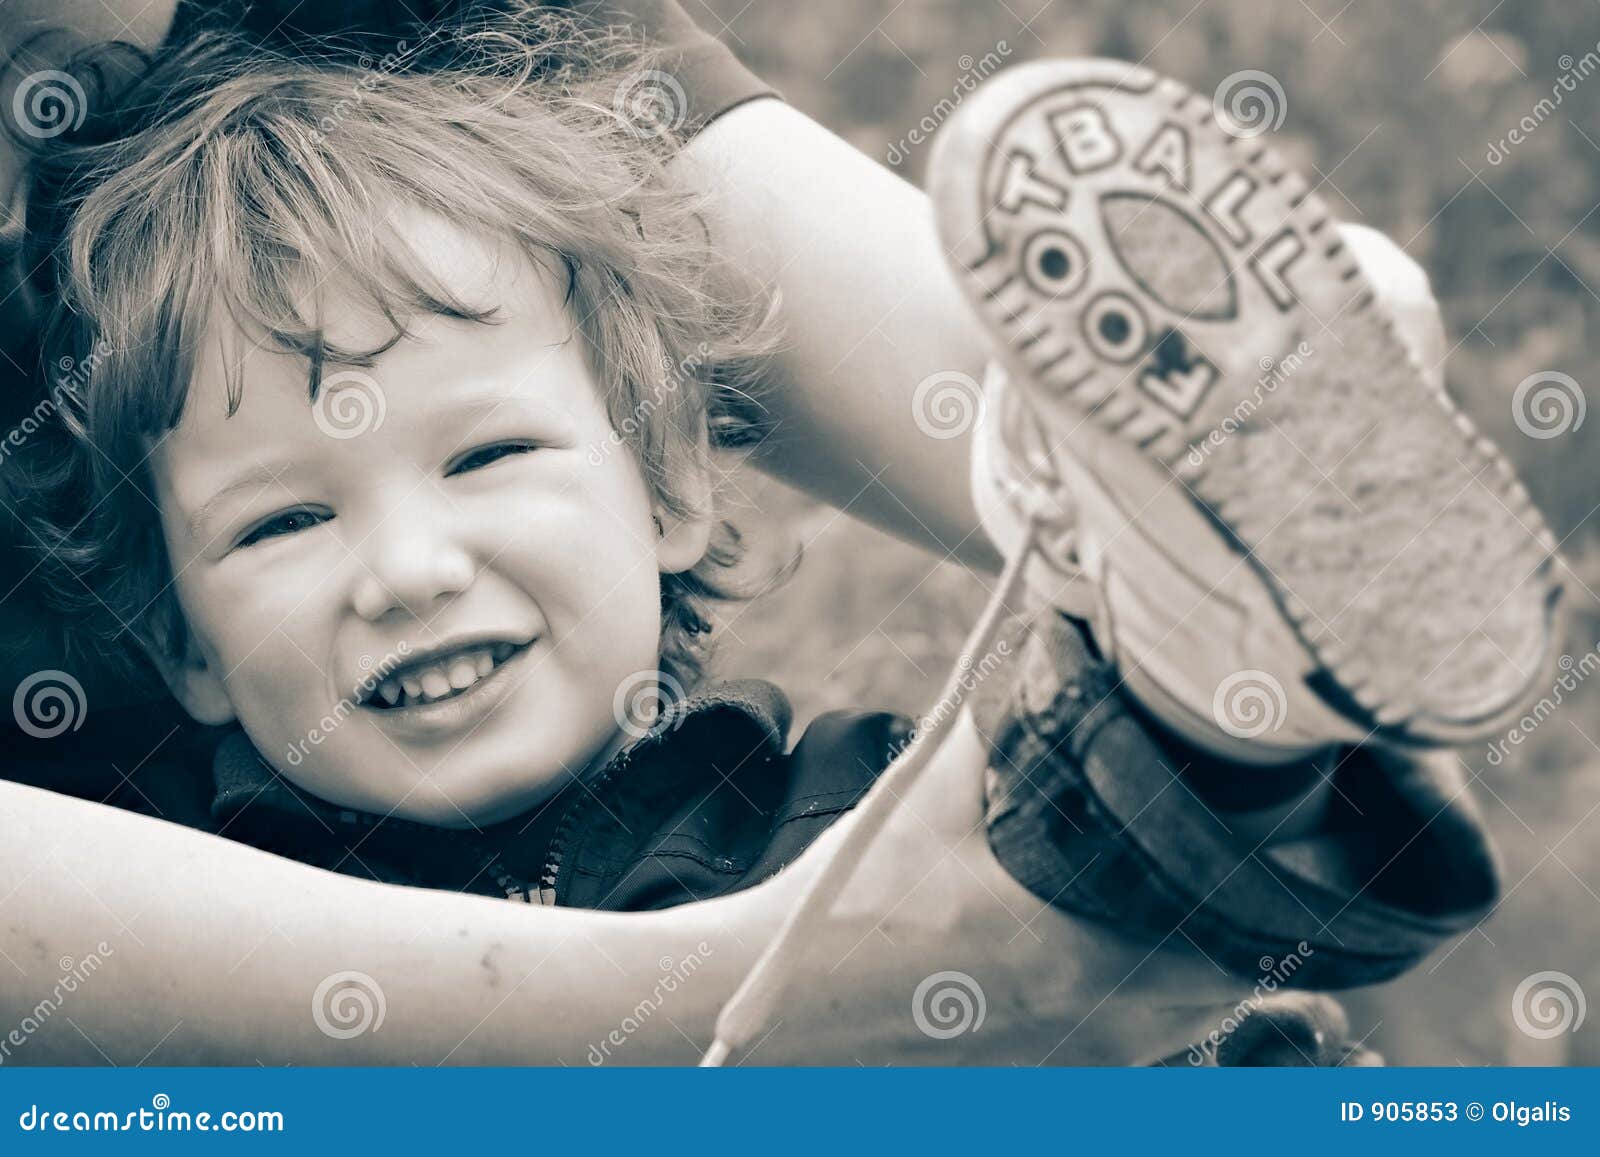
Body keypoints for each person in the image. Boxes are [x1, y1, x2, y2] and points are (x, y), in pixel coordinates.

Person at [0, 0, 1507, 1065]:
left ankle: (1218, 656)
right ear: (180, 636)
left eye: (492, 455)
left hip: (1031, 851)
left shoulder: (824, 824)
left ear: (669, 486)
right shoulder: (183, 987)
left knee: (1067, 844)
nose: (406, 569)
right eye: (279, 523)